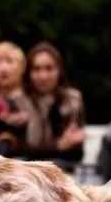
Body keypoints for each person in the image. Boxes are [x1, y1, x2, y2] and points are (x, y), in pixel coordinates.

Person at [16, 41, 86, 170]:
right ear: (29, 72)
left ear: (59, 70)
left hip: (64, 171)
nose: (43, 76)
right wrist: (58, 146)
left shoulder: (73, 99)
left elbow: (77, 153)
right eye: (37, 69)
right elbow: (20, 149)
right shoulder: (18, 100)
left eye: (49, 68)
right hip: (28, 172)